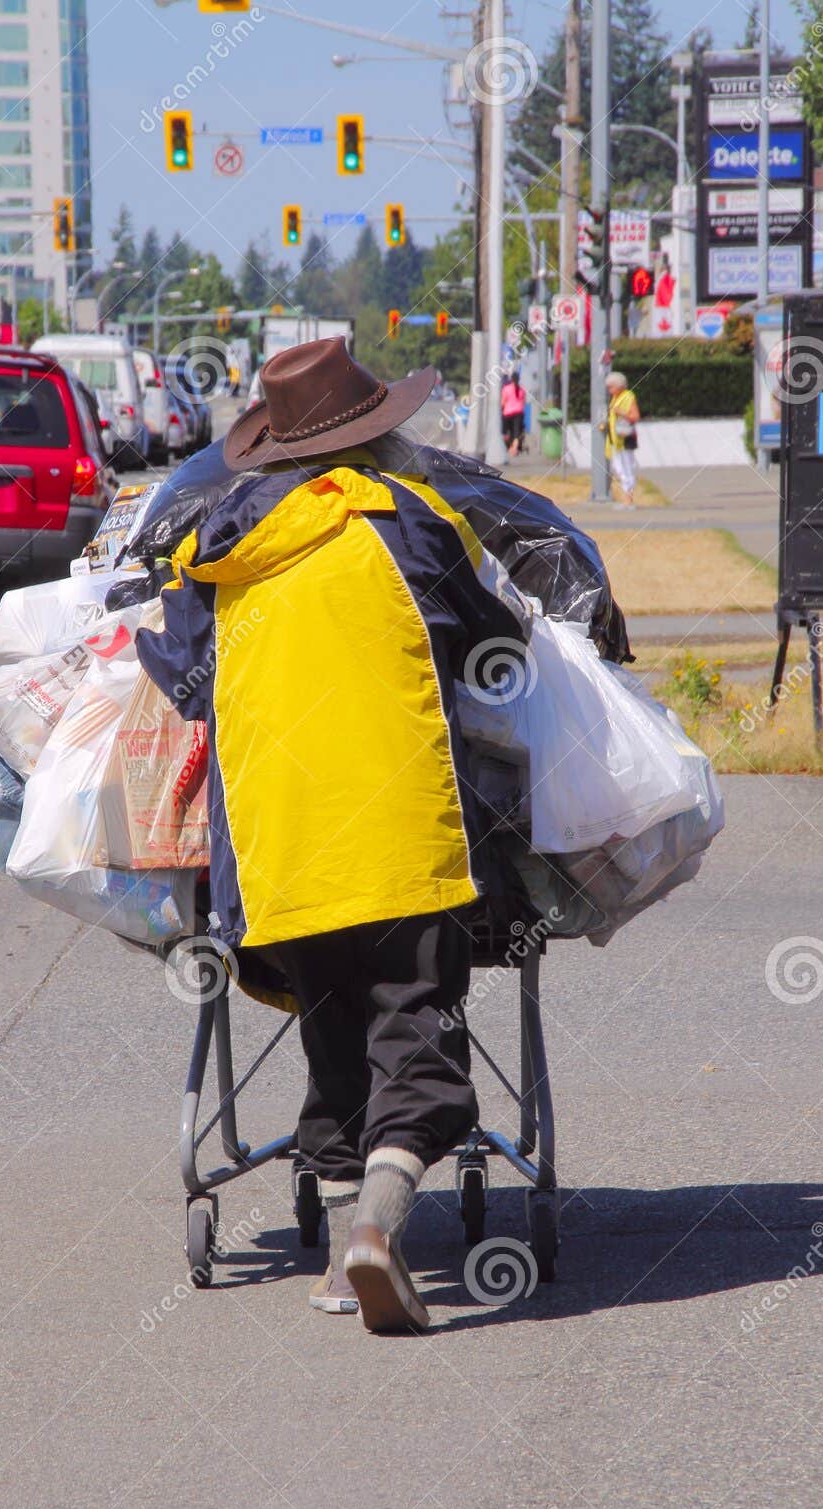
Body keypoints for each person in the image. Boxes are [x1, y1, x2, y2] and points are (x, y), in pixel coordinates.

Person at [137, 337, 525, 1335]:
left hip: (274, 857)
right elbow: (496, 645)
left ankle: (332, 1258)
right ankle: (376, 1233)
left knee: (336, 1028)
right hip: (400, 840)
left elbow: (180, 674)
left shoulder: (215, 548)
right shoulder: (409, 522)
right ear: (374, 437)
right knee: (419, 1045)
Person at [603, 370, 641, 506]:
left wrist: (621, 413)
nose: (609, 390)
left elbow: (635, 417)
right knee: (619, 469)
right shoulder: (615, 398)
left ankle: (629, 500)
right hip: (615, 440)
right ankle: (626, 499)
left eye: (611, 387)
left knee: (627, 469)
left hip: (625, 440)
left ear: (619, 385)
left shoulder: (628, 397)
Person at [500, 371, 526, 458]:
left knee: (505, 433)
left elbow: (503, 402)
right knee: (516, 433)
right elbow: (523, 403)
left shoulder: (506, 389)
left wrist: (501, 409)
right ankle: (514, 449)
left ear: (511, 379)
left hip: (507, 413)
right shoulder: (522, 390)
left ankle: (510, 447)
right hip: (519, 413)